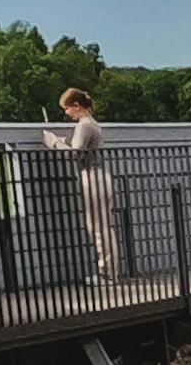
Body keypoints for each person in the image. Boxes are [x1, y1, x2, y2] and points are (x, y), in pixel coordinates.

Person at [44, 82, 128, 288]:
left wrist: (53, 142)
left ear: (75, 105)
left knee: (98, 228)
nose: (67, 114)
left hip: (91, 177)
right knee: (104, 226)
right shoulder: (94, 124)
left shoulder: (83, 125)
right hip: (101, 175)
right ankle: (110, 273)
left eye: (67, 109)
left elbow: (75, 153)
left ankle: (107, 274)